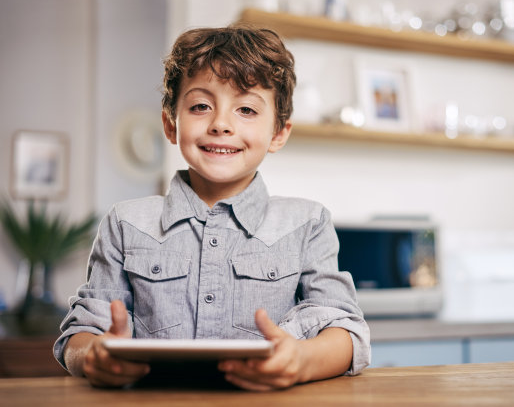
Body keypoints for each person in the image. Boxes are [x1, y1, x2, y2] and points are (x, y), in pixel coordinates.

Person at [53, 25, 370, 391]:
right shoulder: (125, 222)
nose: (221, 124)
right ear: (171, 124)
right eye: (201, 106)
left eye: (247, 109)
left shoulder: (308, 223)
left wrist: (300, 361)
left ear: (279, 133)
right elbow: (81, 334)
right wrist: (96, 357)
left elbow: (347, 332)